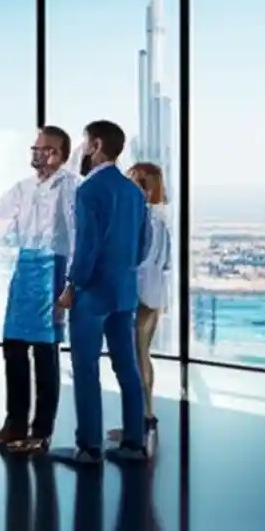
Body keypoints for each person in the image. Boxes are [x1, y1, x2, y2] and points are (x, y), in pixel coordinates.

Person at [53, 120, 150, 464]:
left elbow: (87, 245)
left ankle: (90, 446)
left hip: (93, 293)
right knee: (127, 366)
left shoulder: (89, 190)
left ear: (95, 145)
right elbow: (144, 245)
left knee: (86, 367)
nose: (80, 151)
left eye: (83, 144)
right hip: (124, 290)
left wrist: (72, 286)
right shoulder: (134, 192)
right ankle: (134, 443)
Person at [0, 125, 79, 456]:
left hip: (54, 267)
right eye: (36, 148)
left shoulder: (70, 187)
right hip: (25, 268)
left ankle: (41, 432)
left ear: (61, 155)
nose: (38, 154)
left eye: (46, 149)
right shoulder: (23, 187)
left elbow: (76, 236)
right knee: (13, 345)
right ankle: (14, 424)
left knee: (46, 349)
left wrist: (71, 285)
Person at [108, 162, 171, 442]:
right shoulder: (161, 219)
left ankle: (137, 421)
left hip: (139, 291)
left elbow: (137, 255)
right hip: (156, 292)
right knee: (142, 354)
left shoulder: (143, 217)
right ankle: (147, 412)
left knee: (134, 358)